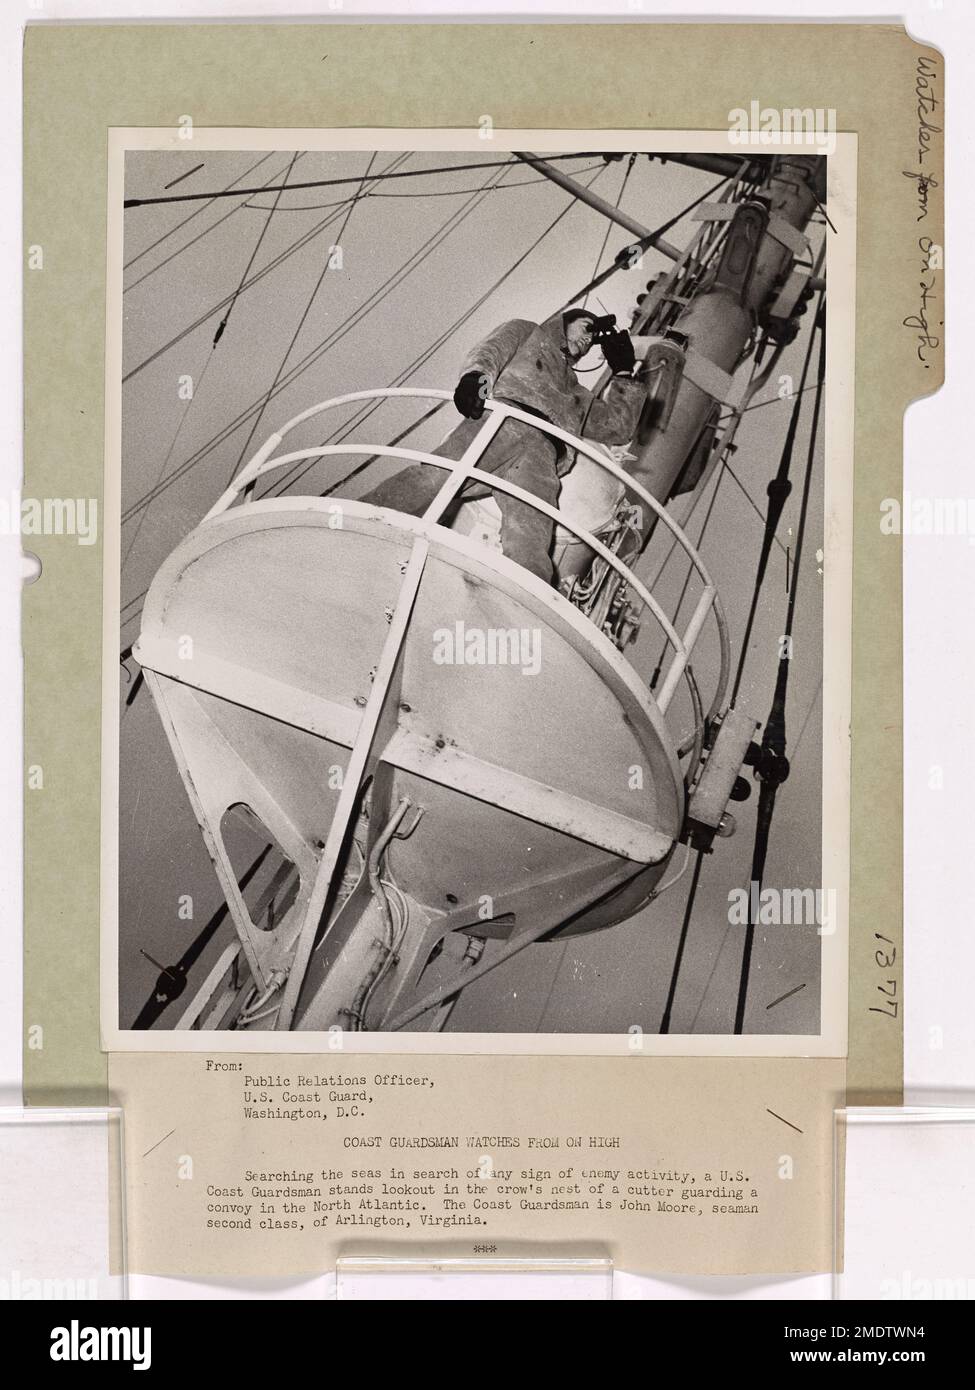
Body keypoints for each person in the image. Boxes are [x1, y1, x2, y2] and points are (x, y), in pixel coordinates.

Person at [360, 308, 645, 583]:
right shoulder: (530, 333)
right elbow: (492, 351)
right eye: (587, 327)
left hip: (543, 453)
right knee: (433, 479)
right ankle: (358, 518)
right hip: (502, 423)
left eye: (593, 340)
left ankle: (522, 596)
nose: (588, 340)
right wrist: (475, 379)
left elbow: (617, 427)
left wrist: (623, 371)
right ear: (564, 321)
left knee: (533, 530)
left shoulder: (578, 395)